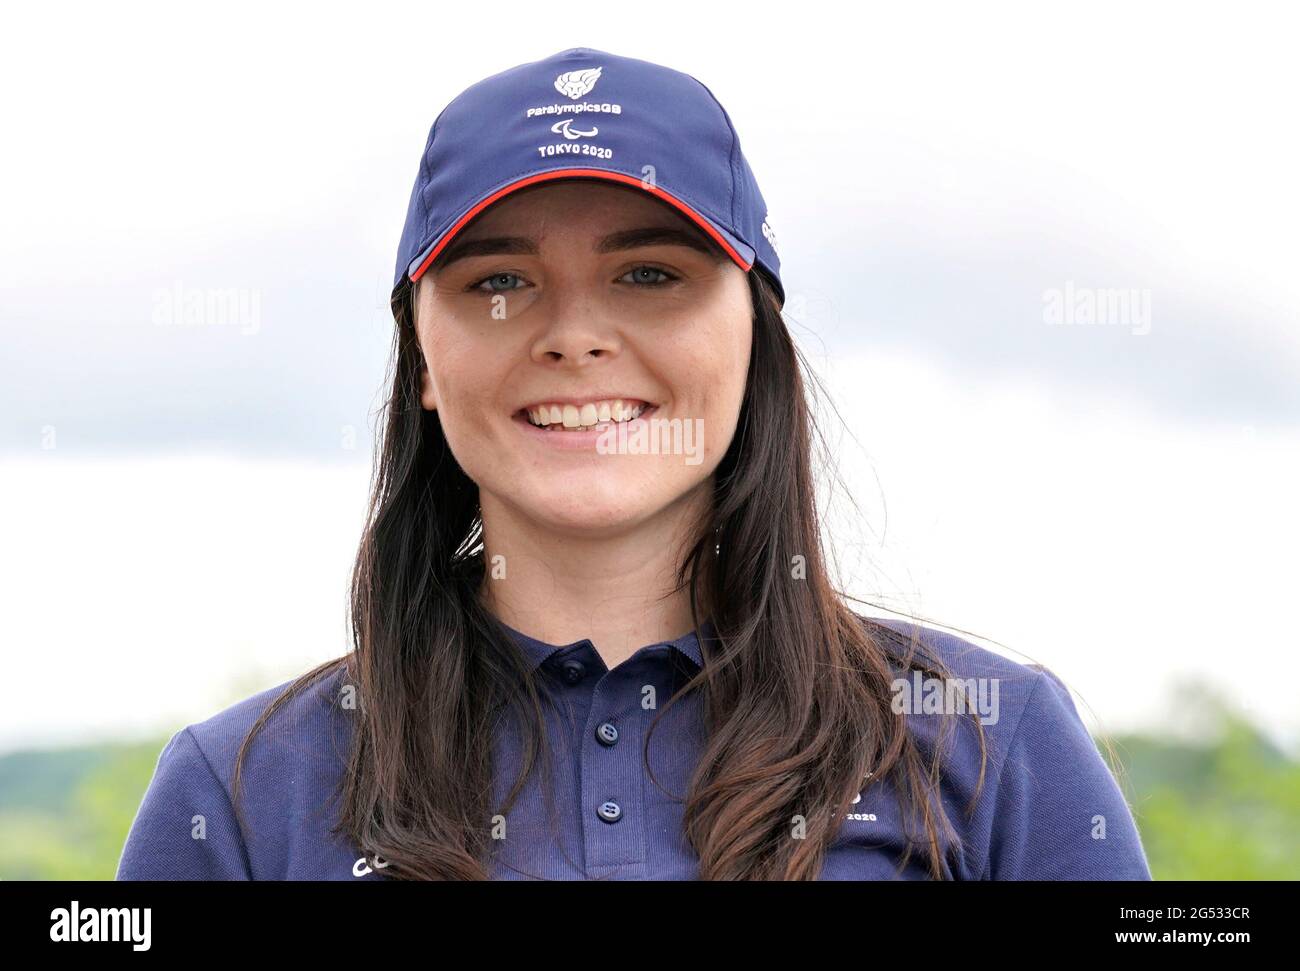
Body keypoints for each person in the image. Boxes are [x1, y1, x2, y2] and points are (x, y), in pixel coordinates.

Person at [116, 47, 1151, 881]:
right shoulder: (239, 792)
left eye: (649, 272)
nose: (573, 334)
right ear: (422, 360)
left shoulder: (991, 742)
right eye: (498, 280)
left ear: (754, 337)